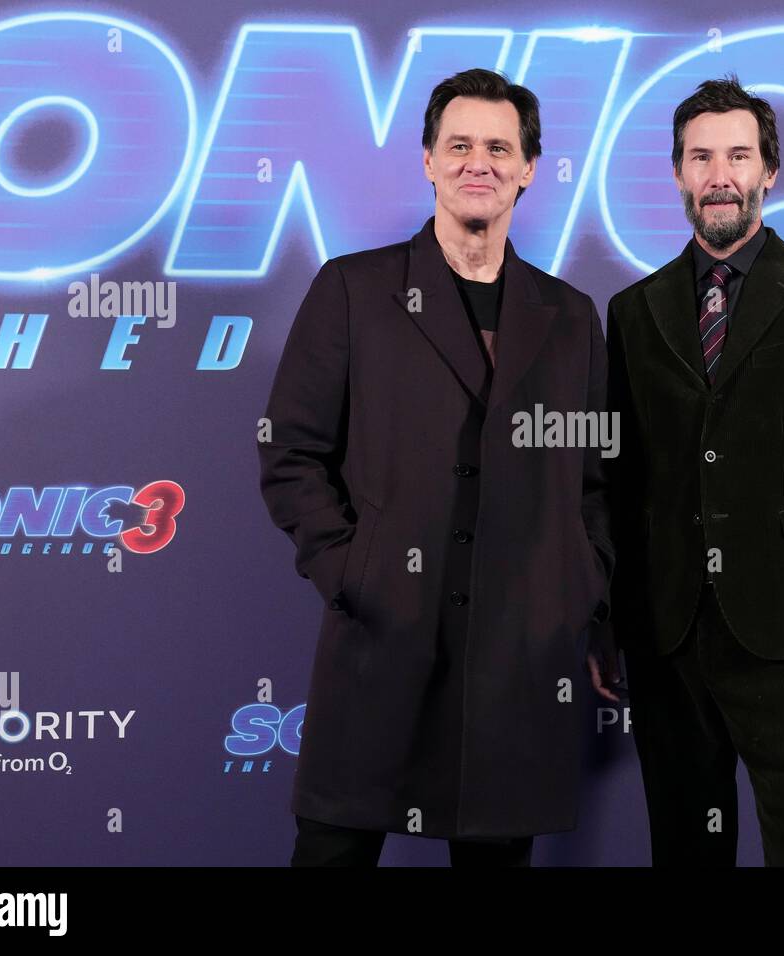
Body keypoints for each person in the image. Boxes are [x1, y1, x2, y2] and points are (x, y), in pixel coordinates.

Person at [259, 68, 612, 867]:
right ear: (427, 160)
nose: (476, 161)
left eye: (498, 146)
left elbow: (594, 480)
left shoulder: (568, 317)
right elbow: (290, 450)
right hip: (382, 640)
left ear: (530, 167)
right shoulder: (355, 289)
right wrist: (355, 571)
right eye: (458, 145)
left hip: (515, 658)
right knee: (333, 852)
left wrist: (577, 591)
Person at [590, 75, 784, 866]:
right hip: (666, 631)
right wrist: (607, 619)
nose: (718, 173)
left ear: (769, 171)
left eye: (737, 154)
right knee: (685, 851)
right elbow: (618, 483)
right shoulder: (632, 311)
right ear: (679, 174)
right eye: (700, 157)